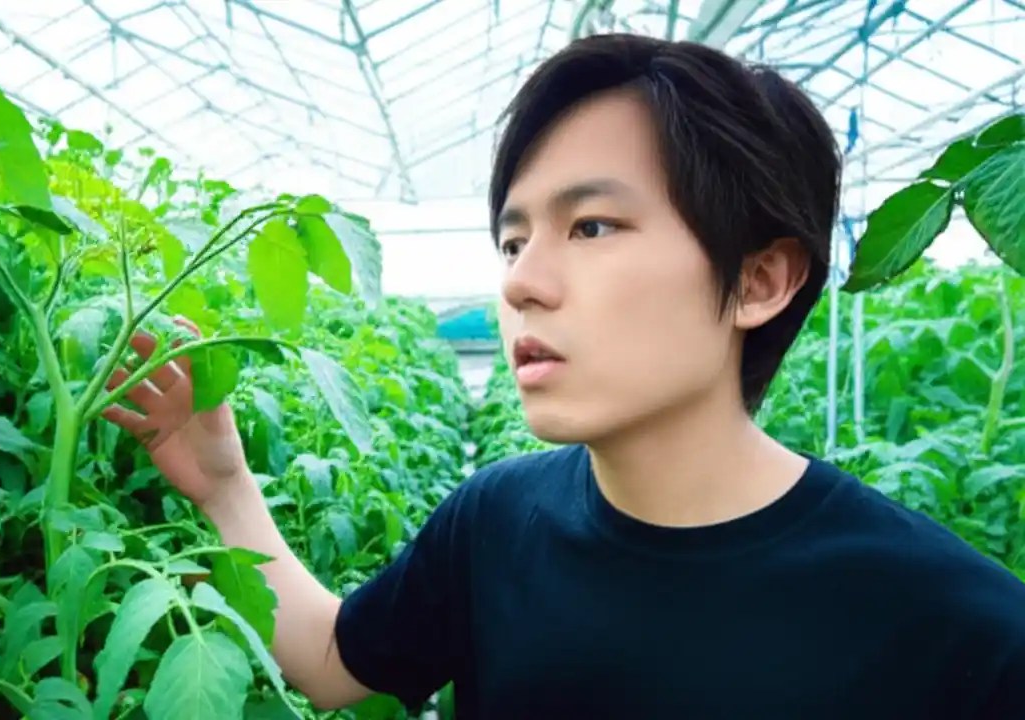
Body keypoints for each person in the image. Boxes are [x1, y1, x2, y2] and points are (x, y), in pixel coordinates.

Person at [101, 33, 1025, 719]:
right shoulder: (497, 520)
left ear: (758, 278)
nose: (521, 283)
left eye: (591, 226)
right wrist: (224, 482)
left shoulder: (964, 634)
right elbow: (337, 659)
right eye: (513, 238)